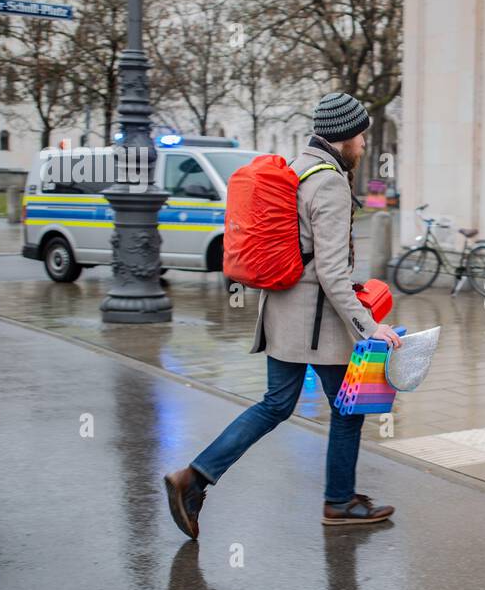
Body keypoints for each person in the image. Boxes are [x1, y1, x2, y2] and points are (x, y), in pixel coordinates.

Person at [164, 92, 402, 538]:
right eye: (362, 135)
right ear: (346, 135)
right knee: (349, 410)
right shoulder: (329, 181)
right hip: (317, 323)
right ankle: (339, 502)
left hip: (281, 312)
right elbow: (332, 273)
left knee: (275, 405)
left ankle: (193, 479)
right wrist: (371, 328)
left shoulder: (297, 168)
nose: (365, 143)